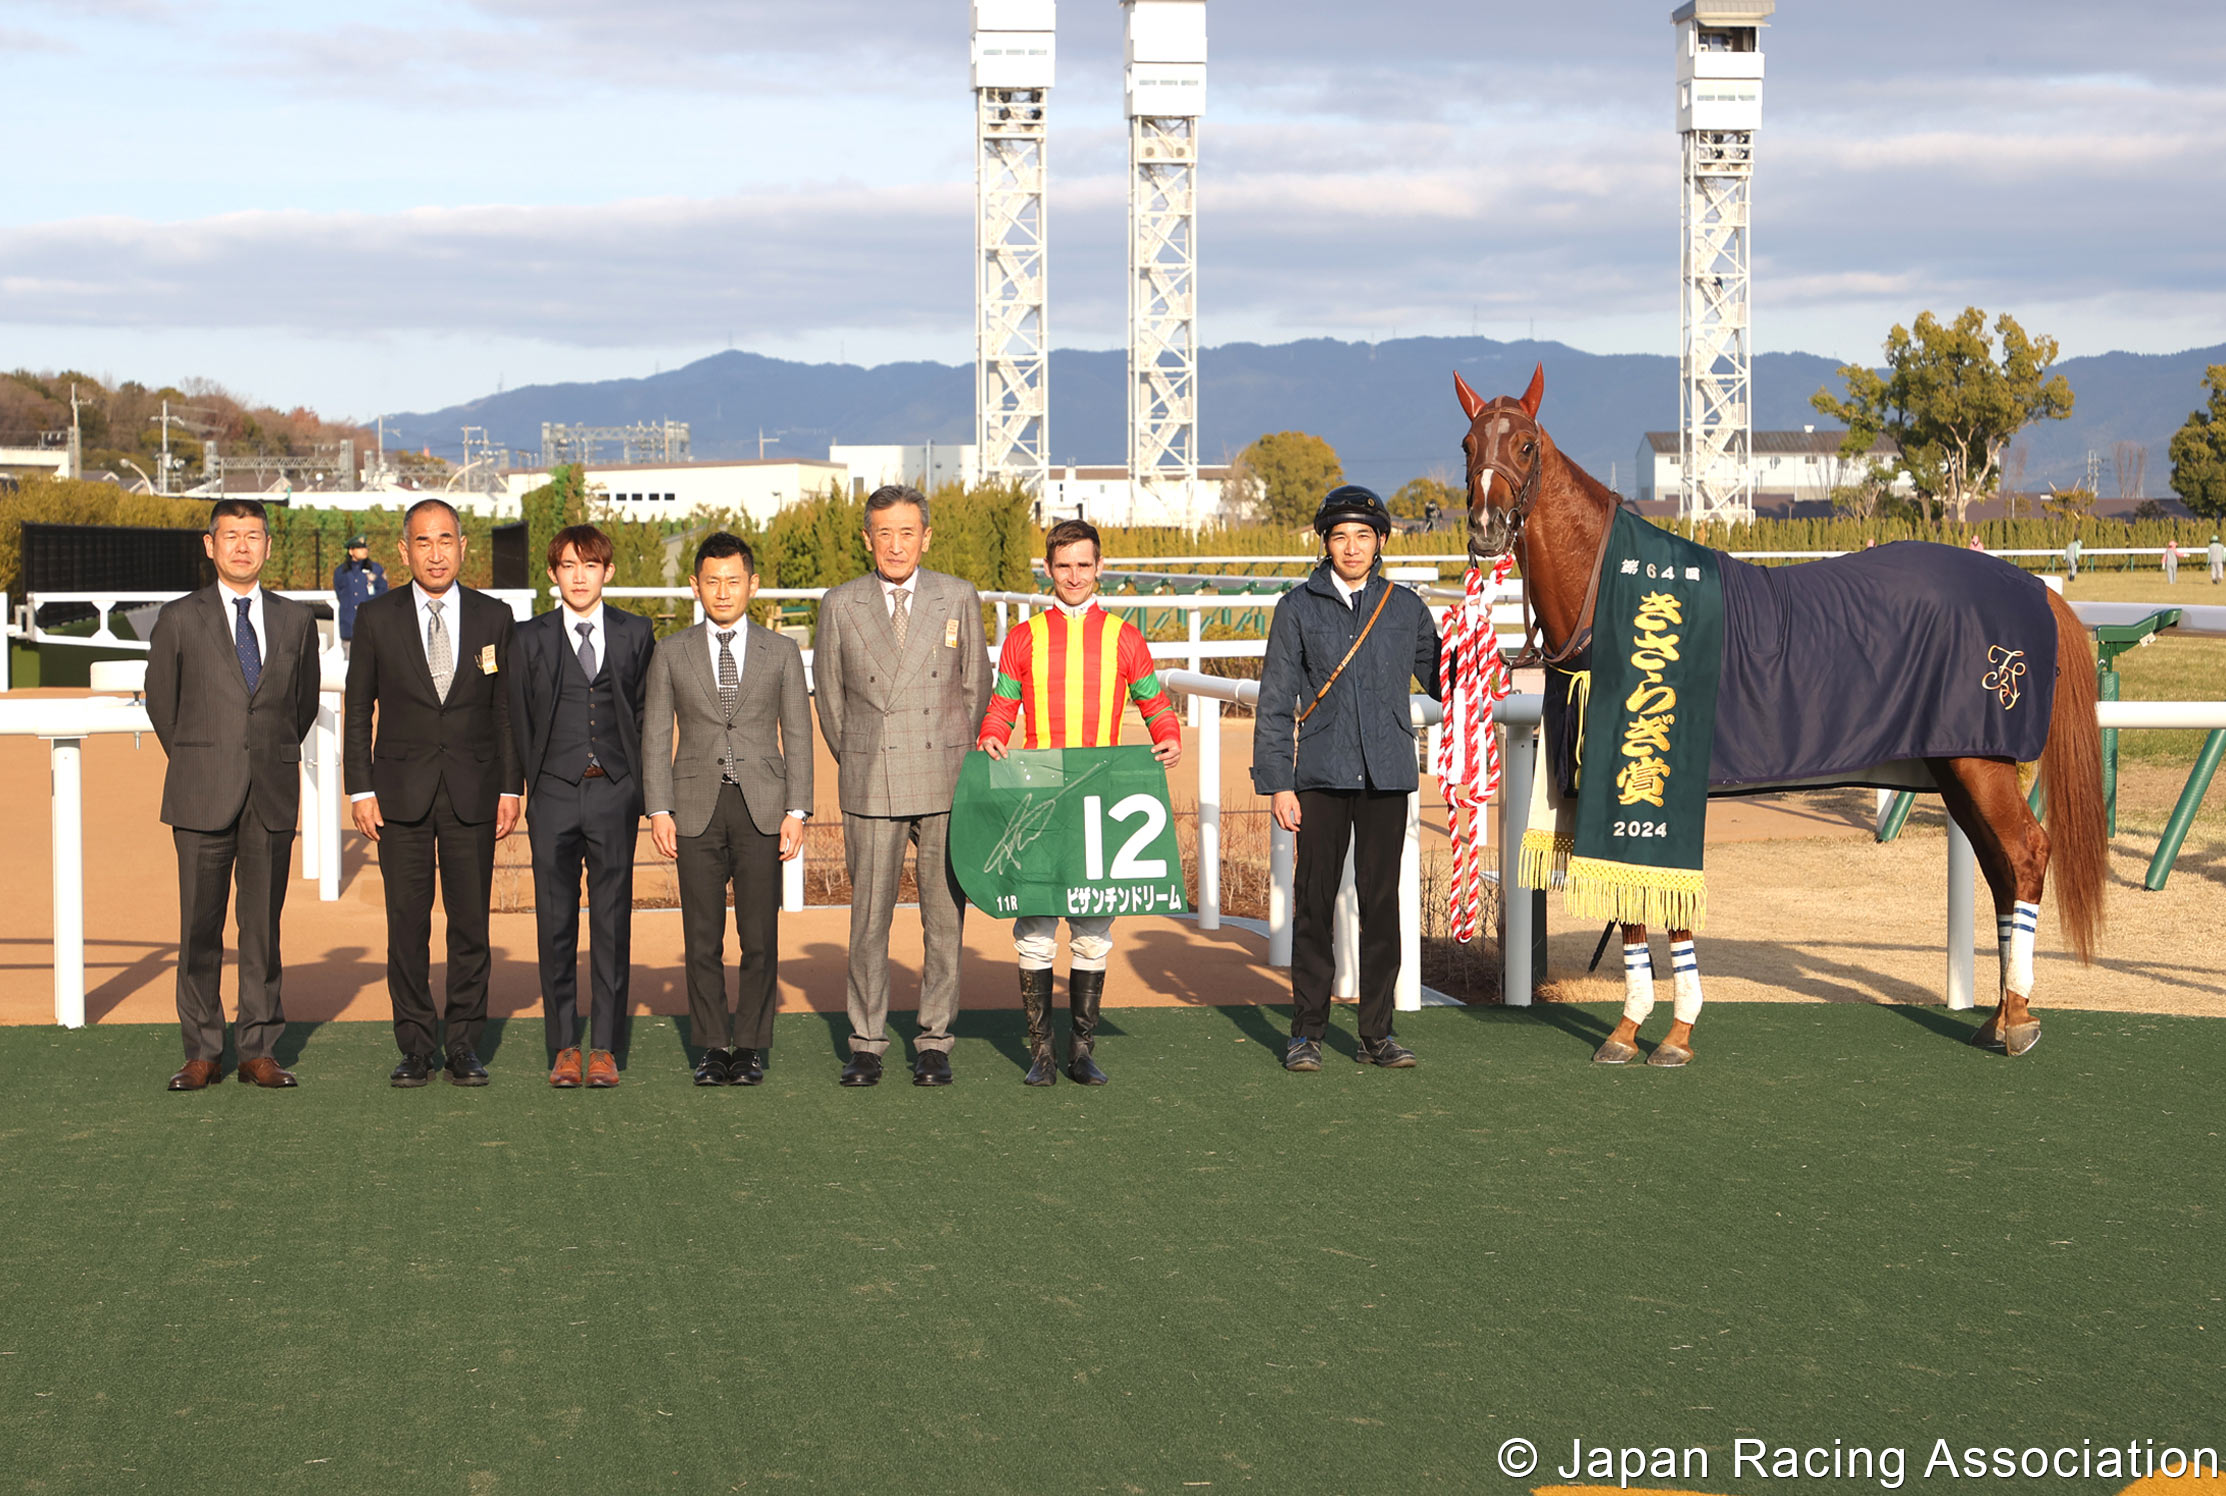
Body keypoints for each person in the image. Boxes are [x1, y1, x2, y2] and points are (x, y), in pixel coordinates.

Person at [975, 518, 1183, 1086]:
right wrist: (992, 733)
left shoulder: (1124, 636)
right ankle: (1041, 1054)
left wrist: (1168, 734)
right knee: (1037, 926)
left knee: (1093, 928)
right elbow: (1001, 709)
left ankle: (1081, 1050)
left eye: (1083, 565)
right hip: (1040, 797)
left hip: (1101, 797)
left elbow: (1154, 703)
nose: (1073, 575)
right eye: (1063, 565)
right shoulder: (1024, 637)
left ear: (1099, 568)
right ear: (1049, 569)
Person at [1252, 485, 1444, 1073]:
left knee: (1381, 905)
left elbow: (1444, 676)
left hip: (1387, 773)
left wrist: (1481, 639)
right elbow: (1275, 701)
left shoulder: (1405, 606)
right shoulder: (1296, 608)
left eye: (1364, 535)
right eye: (1340, 536)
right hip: (1320, 775)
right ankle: (1306, 1032)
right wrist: (1279, 782)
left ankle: (1377, 1035)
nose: (1352, 546)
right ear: (1325, 543)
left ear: (1381, 541)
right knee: (1312, 904)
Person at [812, 485, 991, 1087]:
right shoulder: (840, 604)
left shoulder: (957, 596)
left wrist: (957, 763)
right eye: (883, 533)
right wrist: (859, 756)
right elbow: (831, 703)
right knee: (868, 920)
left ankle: (935, 1039)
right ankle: (866, 1041)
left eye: (906, 532)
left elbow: (974, 691)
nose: (895, 544)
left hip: (943, 776)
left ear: (926, 537)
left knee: (944, 918)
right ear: (867, 538)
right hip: (871, 779)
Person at [145, 498, 324, 1091]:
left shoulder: (296, 620)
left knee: (262, 929)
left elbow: (299, 707)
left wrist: (258, 756)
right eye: (231, 535)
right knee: (199, 927)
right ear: (210, 545)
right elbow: (163, 708)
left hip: (269, 793)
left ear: (268, 546)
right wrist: (208, 759)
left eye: (253, 536)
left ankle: (258, 1050)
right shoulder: (177, 618)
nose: (242, 546)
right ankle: (202, 1050)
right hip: (201, 791)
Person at [345, 497, 522, 1087]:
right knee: (407, 925)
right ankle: (416, 1045)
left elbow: (505, 712)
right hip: (399, 796)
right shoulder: (376, 618)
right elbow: (356, 711)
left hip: (475, 793)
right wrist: (359, 790)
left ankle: (465, 1045)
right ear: (404, 550)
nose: (436, 552)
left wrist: (510, 788)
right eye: (423, 541)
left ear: (462, 547)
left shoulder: (495, 617)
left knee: (471, 925)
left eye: (446, 540)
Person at [644, 533, 813, 1088]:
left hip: (763, 807)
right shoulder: (670, 651)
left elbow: (799, 735)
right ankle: (713, 1045)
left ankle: (752, 1046)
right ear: (695, 586)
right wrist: (659, 809)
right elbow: (655, 736)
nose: (722, 591)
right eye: (711, 581)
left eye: (733, 580)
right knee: (702, 937)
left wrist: (798, 809)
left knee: (760, 936)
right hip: (693, 807)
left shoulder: (782, 651)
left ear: (752, 584)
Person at [508, 525, 655, 1090]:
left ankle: (606, 1049)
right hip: (552, 794)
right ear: (552, 574)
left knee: (613, 925)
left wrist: (639, 791)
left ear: (607, 572)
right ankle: (564, 1046)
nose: (578, 575)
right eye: (568, 565)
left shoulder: (636, 633)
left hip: (614, 792)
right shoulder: (528, 638)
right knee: (555, 925)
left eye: (589, 565)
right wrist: (521, 789)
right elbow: (515, 718)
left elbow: (645, 716)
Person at [333, 533, 387, 657]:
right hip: (349, 627)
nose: (364, 550)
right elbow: (341, 595)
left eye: (365, 547)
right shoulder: (341, 572)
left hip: (371, 628)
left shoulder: (376, 569)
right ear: (351, 551)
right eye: (360, 548)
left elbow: (383, 593)